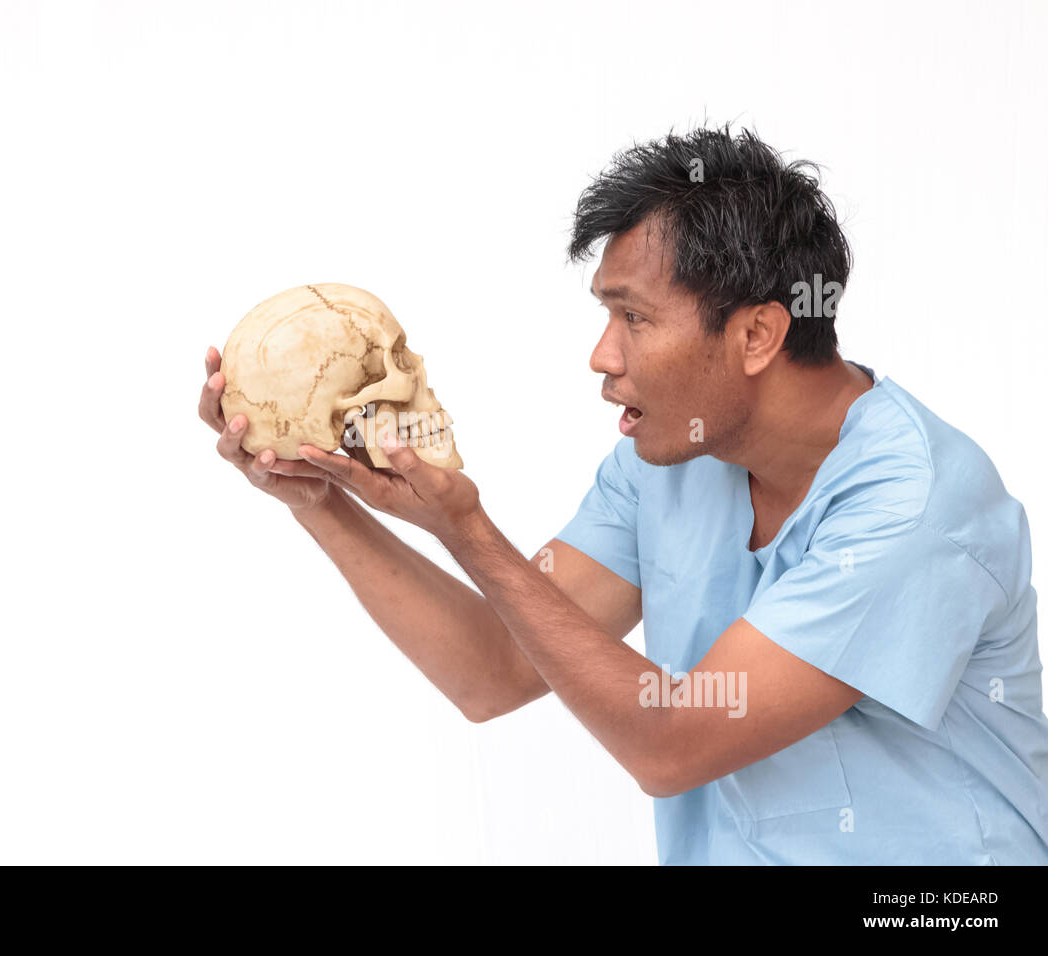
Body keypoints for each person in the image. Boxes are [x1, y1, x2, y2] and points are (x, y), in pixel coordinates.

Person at [197, 125, 1048, 865]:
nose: (602, 357)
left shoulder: (914, 506)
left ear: (758, 333)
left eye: (632, 318)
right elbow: (494, 670)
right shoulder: (664, 460)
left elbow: (671, 744)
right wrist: (319, 501)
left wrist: (469, 530)